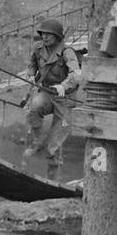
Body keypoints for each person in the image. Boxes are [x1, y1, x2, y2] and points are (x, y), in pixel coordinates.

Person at [24, 19, 81, 173]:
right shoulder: (38, 48)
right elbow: (32, 64)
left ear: (57, 37)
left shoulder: (67, 52)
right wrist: (30, 75)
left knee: (55, 141)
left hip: (65, 98)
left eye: (49, 34)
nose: (45, 37)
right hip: (47, 92)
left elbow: (76, 74)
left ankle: (53, 172)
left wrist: (64, 85)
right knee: (33, 109)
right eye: (43, 34)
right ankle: (38, 140)